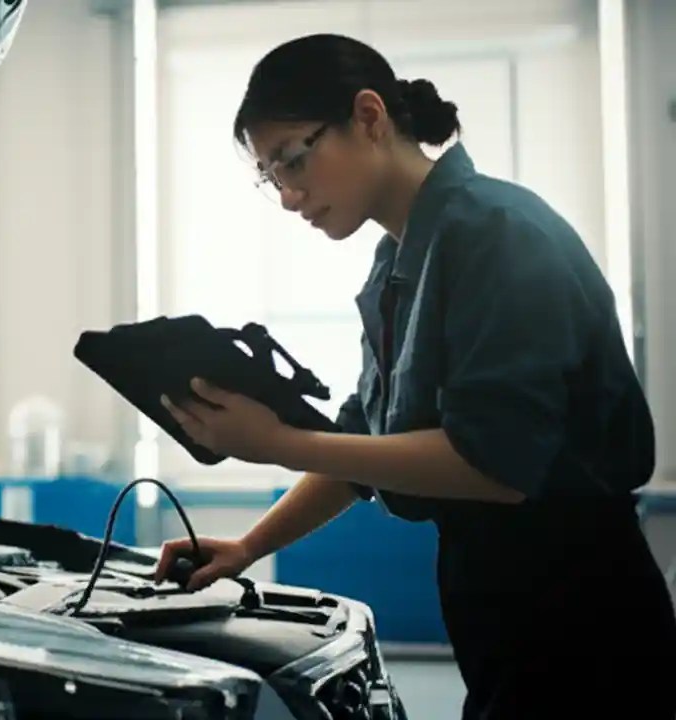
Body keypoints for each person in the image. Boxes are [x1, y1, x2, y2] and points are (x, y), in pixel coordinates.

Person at [153, 33, 676, 719]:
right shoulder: (399, 260)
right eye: (270, 176)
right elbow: (364, 442)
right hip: (506, 616)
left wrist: (279, 441)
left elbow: (495, 464)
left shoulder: (498, 232)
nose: (287, 196)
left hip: (583, 624)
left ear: (369, 117)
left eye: (291, 160)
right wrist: (250, 546)